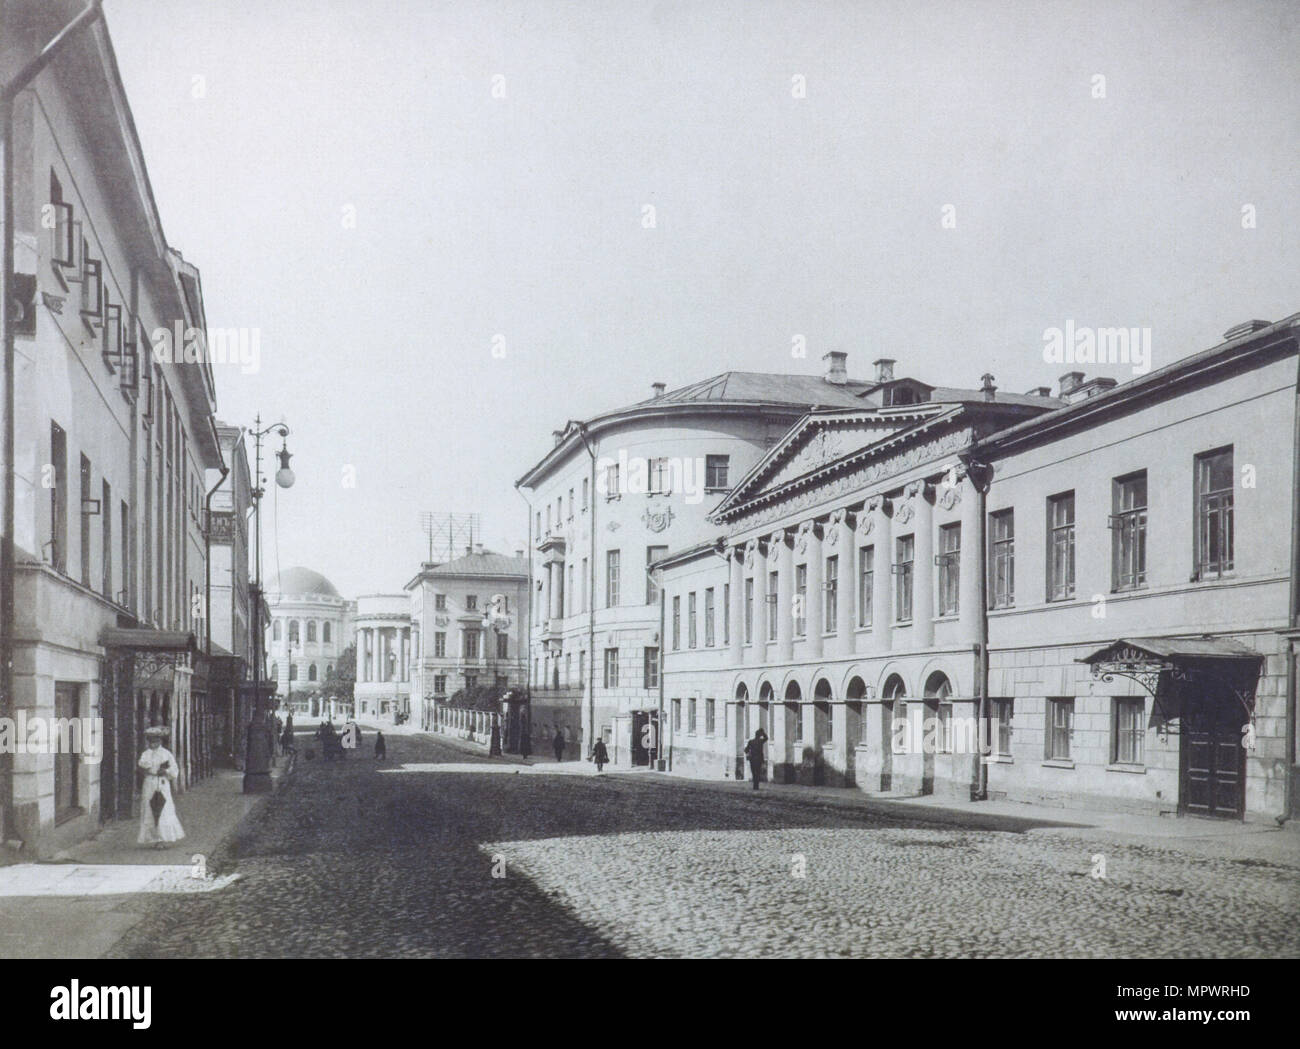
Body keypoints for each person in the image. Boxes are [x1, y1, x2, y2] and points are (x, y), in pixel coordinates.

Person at [137, 725, 185, 847]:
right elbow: (142, 767)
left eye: (155, 741)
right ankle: (154, 838)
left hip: (163, 783)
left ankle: (163, 838)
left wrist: (166, 772)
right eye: (150, 742)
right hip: (149, 783)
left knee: (164, 809)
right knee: (149, 809)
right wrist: (146, 770)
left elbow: (174, 769)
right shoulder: (146, 754)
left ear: (160, 741)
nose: (152, 744)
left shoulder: (166, 754)